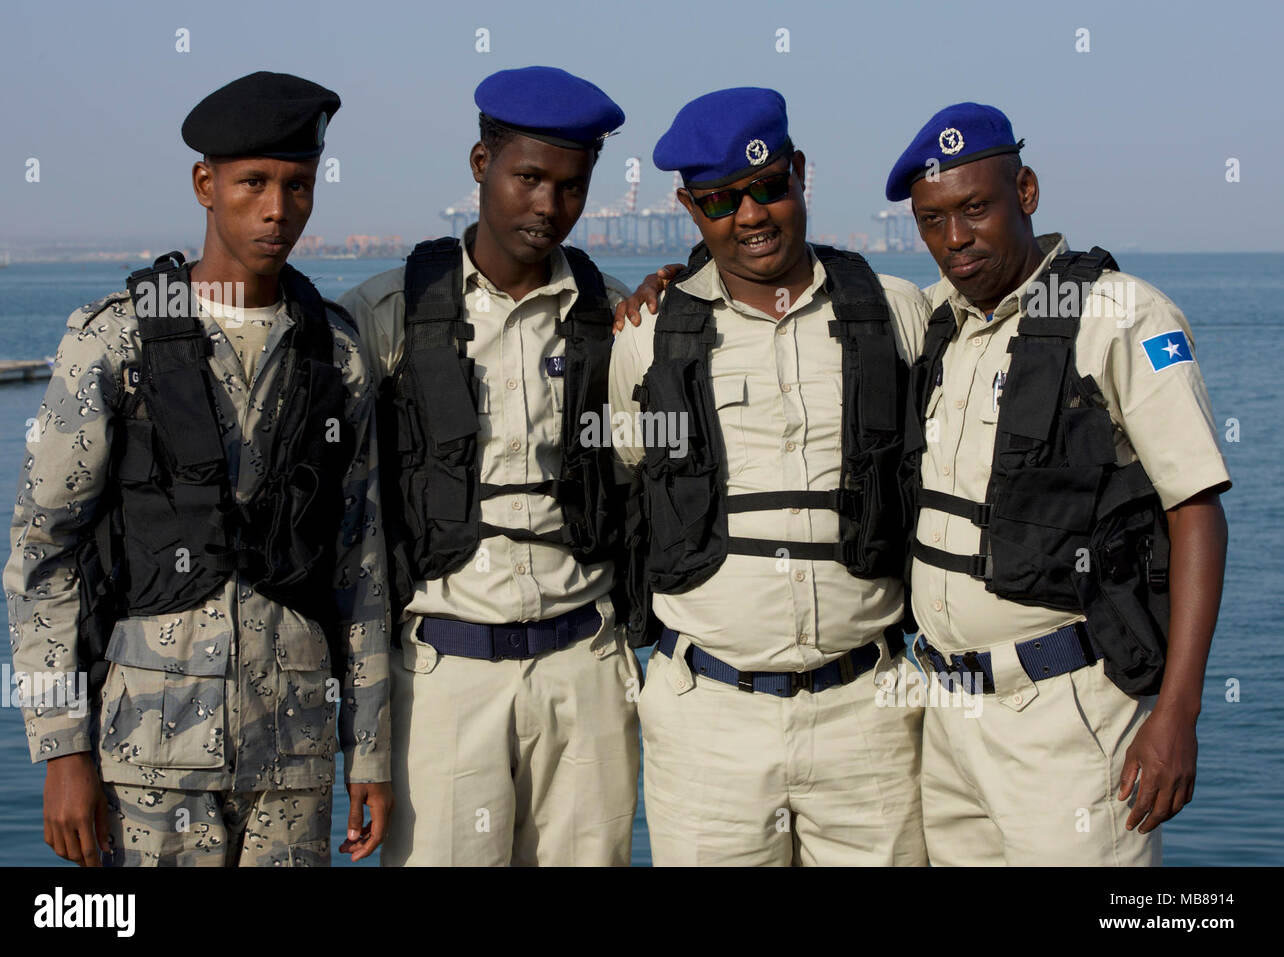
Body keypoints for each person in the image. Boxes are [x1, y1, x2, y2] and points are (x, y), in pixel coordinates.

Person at [4, 71, 392, 867]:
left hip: (293, 757)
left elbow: (362, 563)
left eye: (298, 185)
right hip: (144, 756)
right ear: (205, 184)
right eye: (253, 183)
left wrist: (373, 749)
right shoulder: (115, 345)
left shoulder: (339, 354)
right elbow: (45, 555)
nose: (278, 208)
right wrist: (61, 750)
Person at [886, 102, 1230, 865]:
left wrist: (1177, 714)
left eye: (975, 208)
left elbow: (1196, 508)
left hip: (1065, 716)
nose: (955, 238)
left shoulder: (1118, 315)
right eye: (933, 219)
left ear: (1027, 190)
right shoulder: (941, 322)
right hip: (943, 718)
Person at [609, 87, 933, 866]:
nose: (750, 215)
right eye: (720, 200)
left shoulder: (895, 312)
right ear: (691, 210)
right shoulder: (648, 337)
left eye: (766, 186)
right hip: (707, 723)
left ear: (798, 174)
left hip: (871, 716)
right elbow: (626, 483)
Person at [336, 65, 640, 867]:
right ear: (481, 166)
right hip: (445, 679)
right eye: (529, 178)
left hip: (587, 672)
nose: (548, 206)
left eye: (571, 186)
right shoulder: (387, 316)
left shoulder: (615, 316)